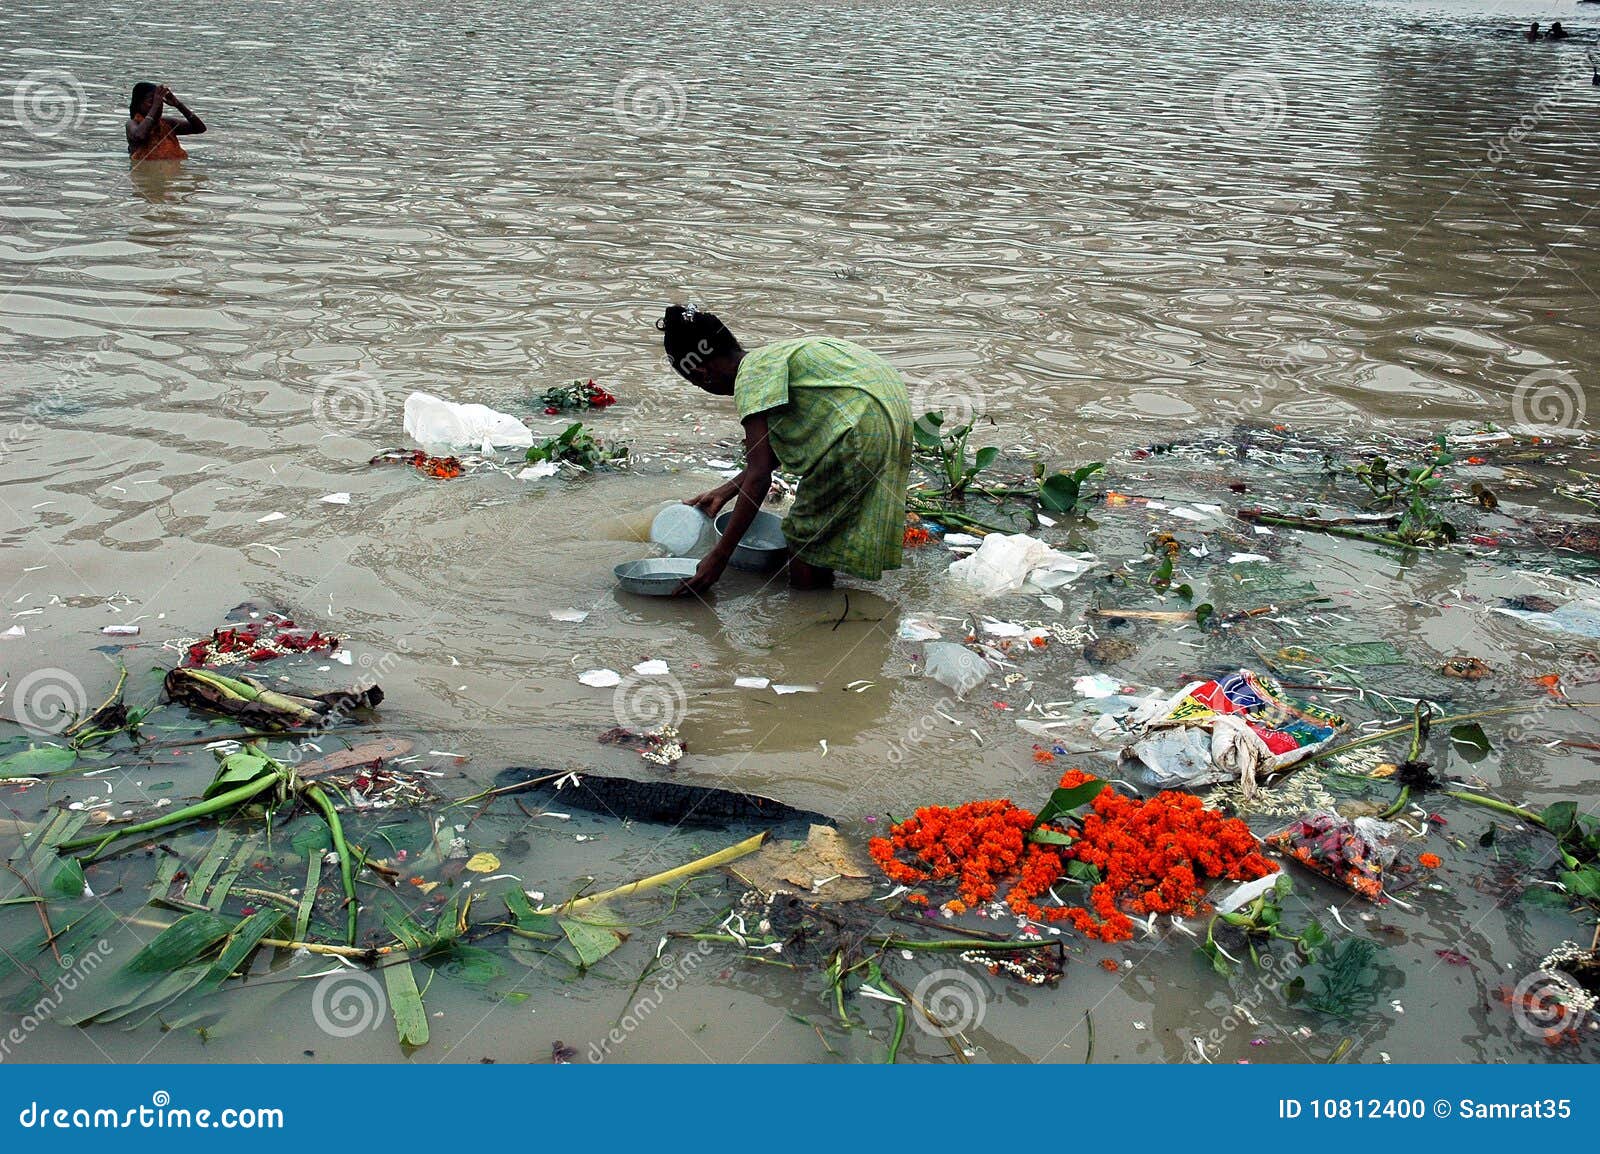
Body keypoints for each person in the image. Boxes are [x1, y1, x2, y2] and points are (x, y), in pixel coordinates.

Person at [659, 305, 912, 595]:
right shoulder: (771, 361)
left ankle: (807, 607)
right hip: (892, 408)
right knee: (824, 523)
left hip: (860, 427)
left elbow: (759, 476)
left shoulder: (751, 380)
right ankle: (826, 593)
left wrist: (719, 556)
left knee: (801, 537)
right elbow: (772, 453)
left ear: (702, 374)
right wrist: (726, 491)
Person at [125, 82, 205, 161]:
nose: (158, 105)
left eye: (160, 101)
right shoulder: (132, 124)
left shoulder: (167, 123)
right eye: (151, 101)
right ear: (139, 104)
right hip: (144, 168)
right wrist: (155, 106)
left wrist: (178, 105)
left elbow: (200, 128)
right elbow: (140, 135)